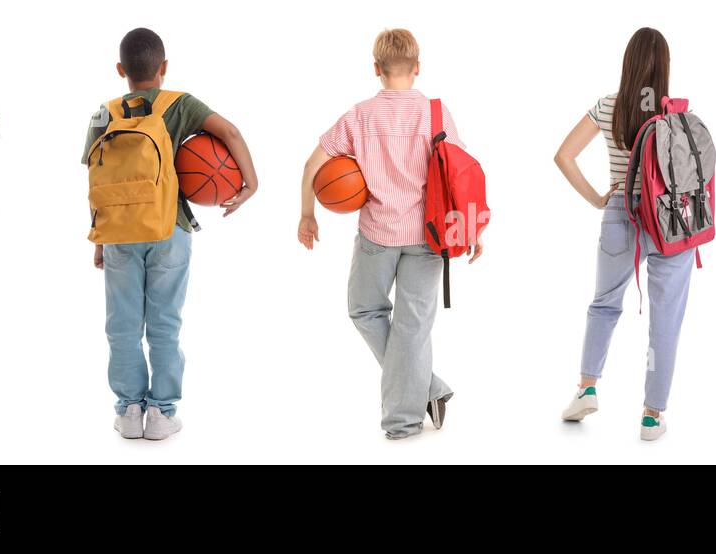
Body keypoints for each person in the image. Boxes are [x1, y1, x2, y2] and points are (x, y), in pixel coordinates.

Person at [297, 28, 479, 440]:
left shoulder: (359, 115)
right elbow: (460, 173)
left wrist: (308, 215)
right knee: (412, 327)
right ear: (417, 68)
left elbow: (312, 166)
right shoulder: (436, 112)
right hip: (430, 234)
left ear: (376, 69)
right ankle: (427, 389)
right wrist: (470, 226)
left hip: (378, 235)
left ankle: (402, 421)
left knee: (365, 311)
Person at [83, 27, 259, 440]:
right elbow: (230, 132)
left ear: (120, 69)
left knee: (122, 325)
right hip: (170, 229)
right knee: (164, 323)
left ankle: (128, 410)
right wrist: (251, 184)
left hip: (119, 233)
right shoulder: (180, 104)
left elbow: (95, 178)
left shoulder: (104, 113)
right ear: (163, 68)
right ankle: (162, 412)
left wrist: (98, 236)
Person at [554, 28, 693, 441]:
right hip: (670, 221)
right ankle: (652, 416)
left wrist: (600, 198)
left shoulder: (608, 106)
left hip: (621, 213)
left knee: (604, 304)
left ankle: (587, 388)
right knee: (665, 319)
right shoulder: (673, 111)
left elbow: (563, 155)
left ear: (628, 62)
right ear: (665, 65)